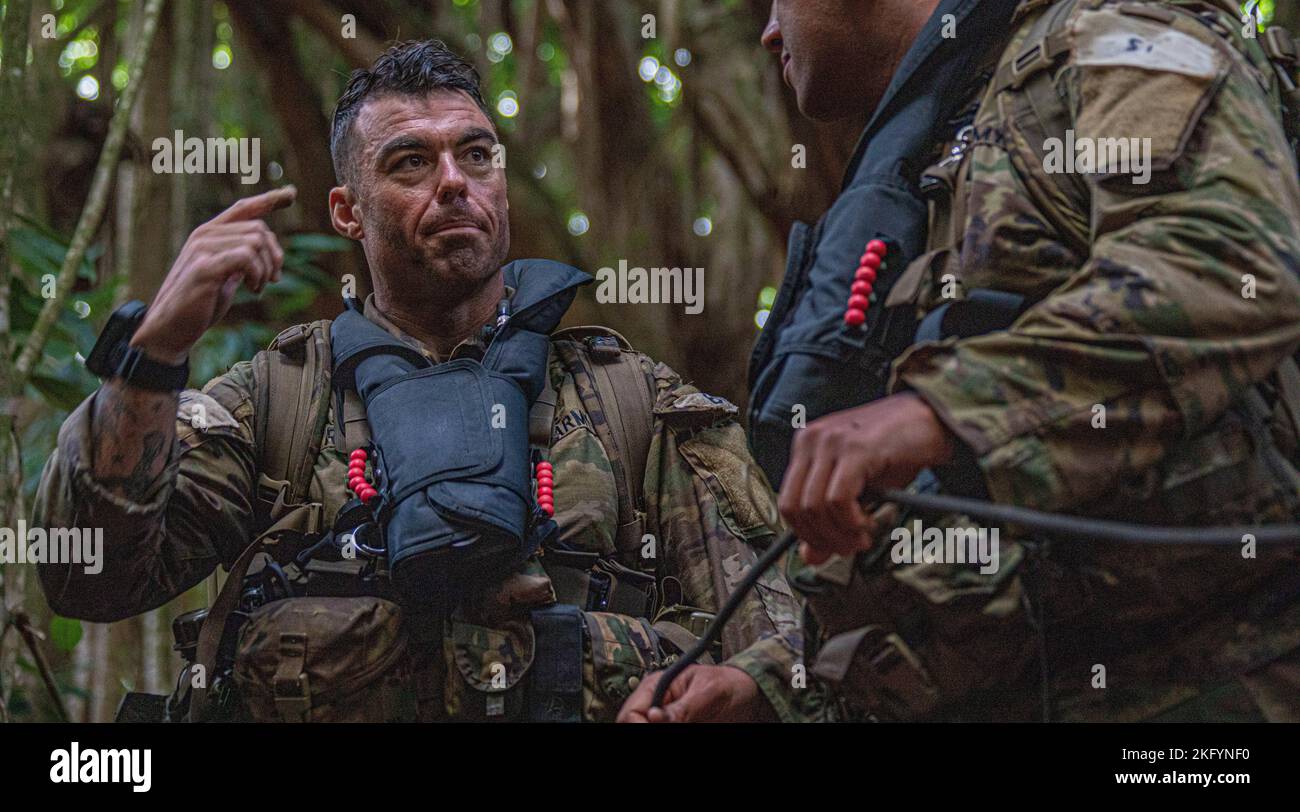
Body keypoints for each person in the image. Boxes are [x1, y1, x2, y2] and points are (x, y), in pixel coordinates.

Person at [33, 39, 811, 723]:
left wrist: (735, 690)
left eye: (476, 156)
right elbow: (88, 578)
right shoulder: (276, 402)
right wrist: (153, 356)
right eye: (410, 161)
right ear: (347, 210)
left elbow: (789, 644)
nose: (453, 182)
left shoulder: (630, 403)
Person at [736, 0, 1300, 721]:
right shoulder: (918, 185)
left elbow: (1233, 256)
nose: (770, 29)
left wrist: (937, 413)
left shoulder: (1099, 40)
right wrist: (763, 687)